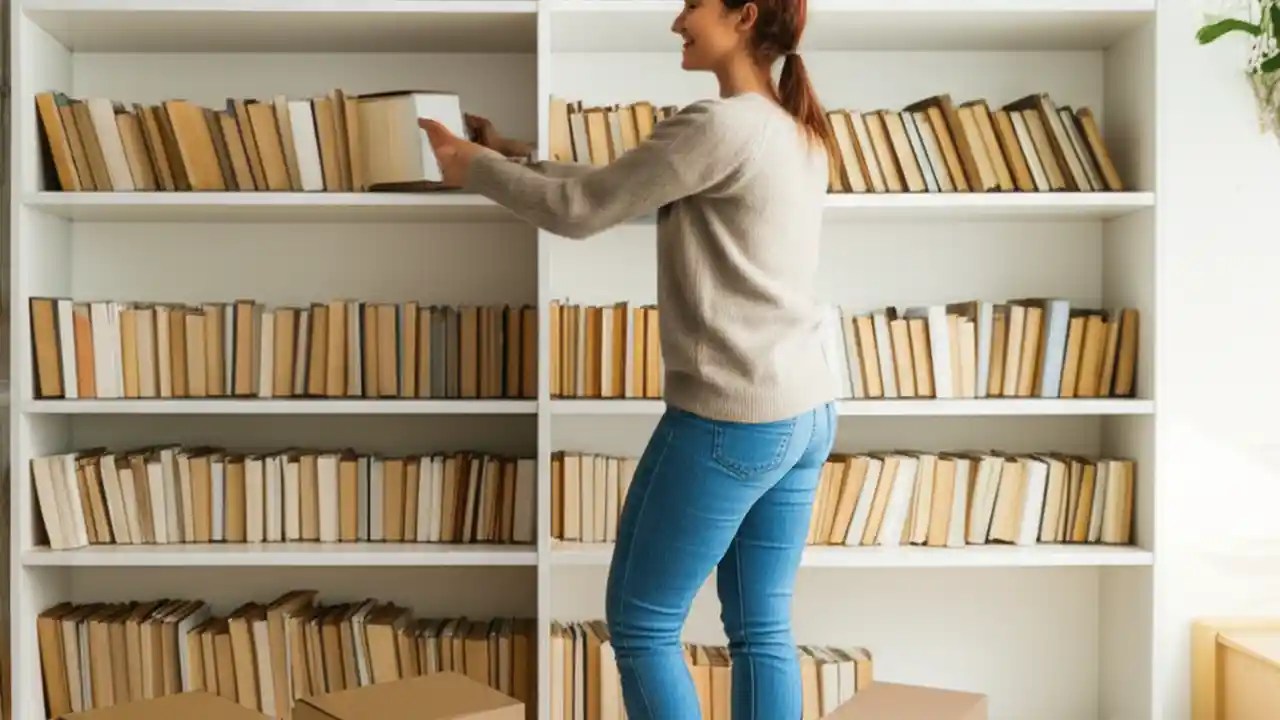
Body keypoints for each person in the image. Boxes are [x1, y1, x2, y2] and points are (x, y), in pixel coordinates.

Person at [422, 0, 836, 715]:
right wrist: (511, 155)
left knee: (642, 626)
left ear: (742, 16)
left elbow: (582, 210)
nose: (677, 21)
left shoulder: (720, 125)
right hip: (805, 411)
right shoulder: (795, 132)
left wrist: (475, 170)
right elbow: (628, 184)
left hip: (729, 420)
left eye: (692, 6)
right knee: (762, 628)